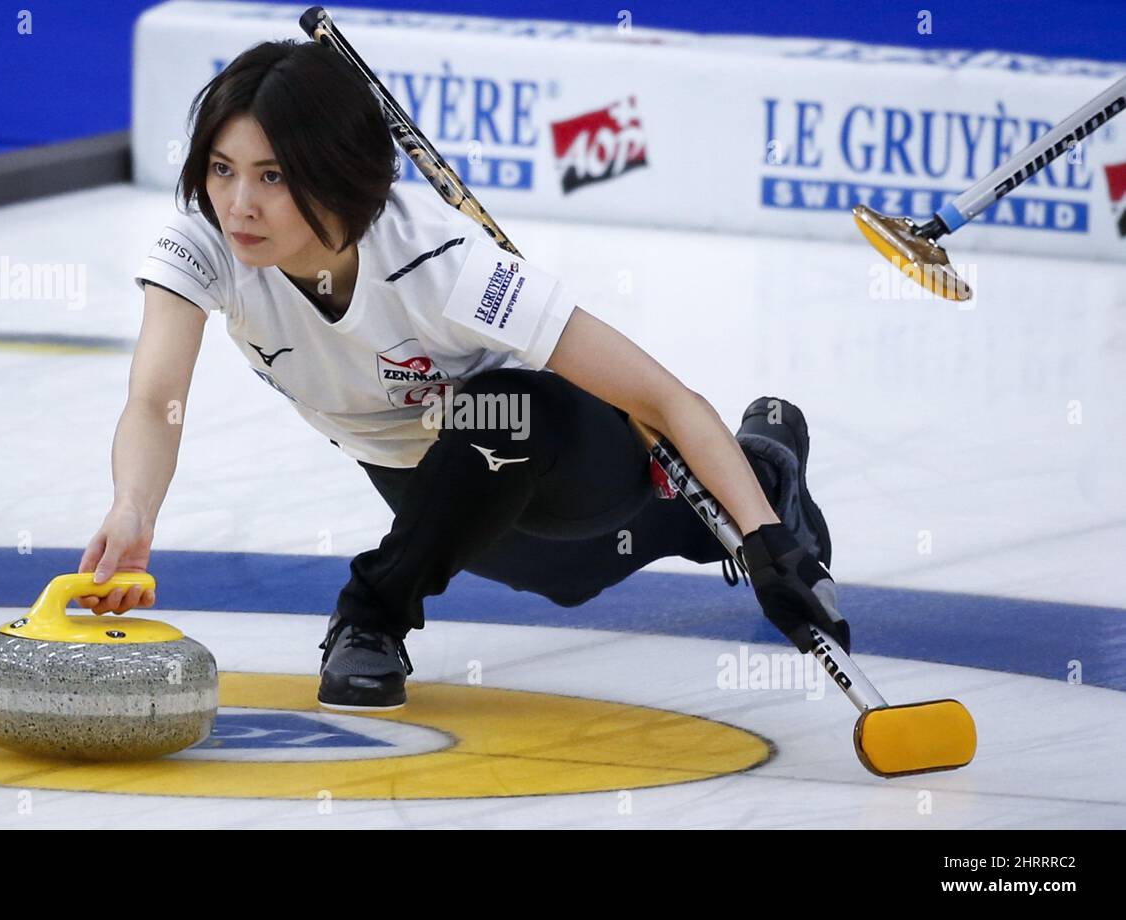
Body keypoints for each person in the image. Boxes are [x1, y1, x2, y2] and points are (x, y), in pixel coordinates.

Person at [77, 39, 849, 711]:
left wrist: (770, 545)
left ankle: (371, 617)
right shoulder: (207, 243)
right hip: (425, 474)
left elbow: (664, 399)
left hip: (559, 443)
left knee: (496, 415)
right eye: (221, 169)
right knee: (573, 575)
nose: (238, 203)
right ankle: (763, 460)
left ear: (333, 169)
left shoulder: (443, 266)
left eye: (272, 176)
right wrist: (134, 507)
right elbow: (154, 400)